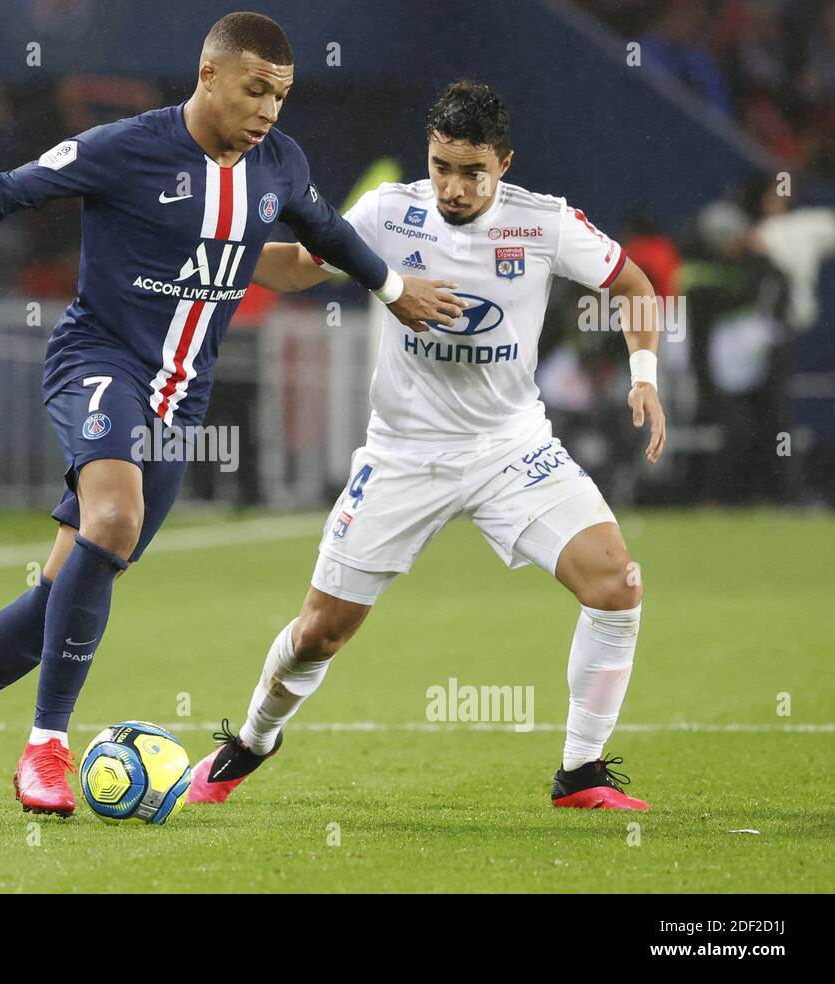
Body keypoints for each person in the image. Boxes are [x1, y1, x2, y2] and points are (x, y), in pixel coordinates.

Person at [0, 12, 461, 819]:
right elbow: (10, 189)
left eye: (281, 95)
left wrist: (386, 286)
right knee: (113, 518)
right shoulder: (126, 147)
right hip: (99, 362)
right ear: (208, 76)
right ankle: (46, 751)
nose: (269, 109)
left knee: (56, 603)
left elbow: (326, 235)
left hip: (179, 405)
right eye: (255, 90)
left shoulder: (280, 163)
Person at [188, 80, 667, 811]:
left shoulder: (543, 224)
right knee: (319, 635)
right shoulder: (389, 213)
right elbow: (301, 268)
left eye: (472, 170)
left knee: (618, 585)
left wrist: (644, 374)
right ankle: (252, 740)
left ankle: (580, 772)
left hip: (511, 450)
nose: (453, 185)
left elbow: (633, 283)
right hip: (404, 455)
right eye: (442, 165)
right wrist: (225, 246)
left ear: (504, 163)